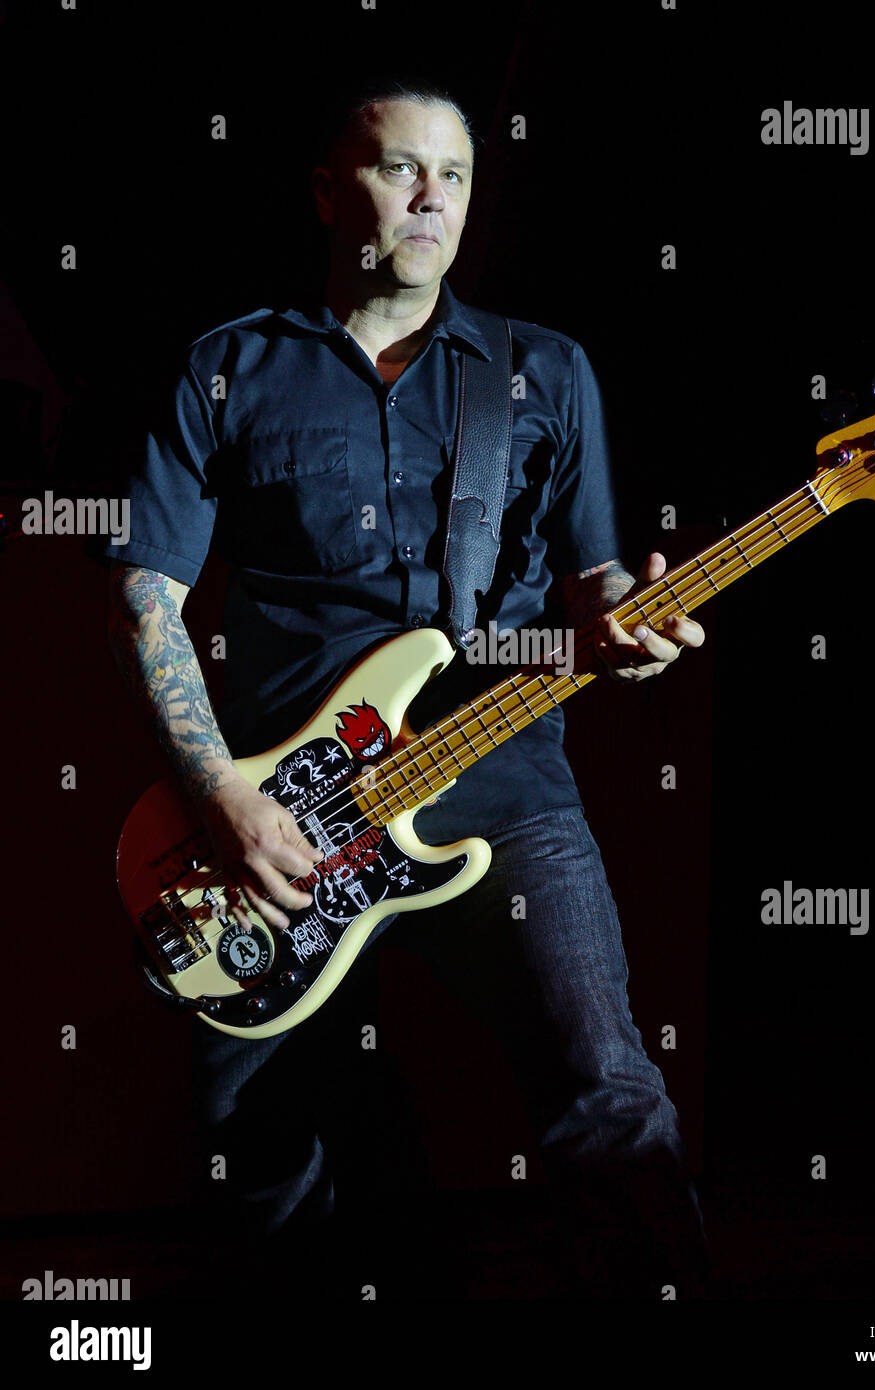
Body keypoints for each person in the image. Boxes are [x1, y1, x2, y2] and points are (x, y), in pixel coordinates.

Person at [103, 81, 708, 1299]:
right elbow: (148, 593)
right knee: (266, 1147)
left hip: (504, 786)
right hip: (284, 816)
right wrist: (218, 790)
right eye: (398, 169)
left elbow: (592, 575)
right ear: (330, 191)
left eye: (456, 175)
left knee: (606, 1089)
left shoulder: (544, 370)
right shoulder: (228, 368)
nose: (432, 198)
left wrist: (619, 624)